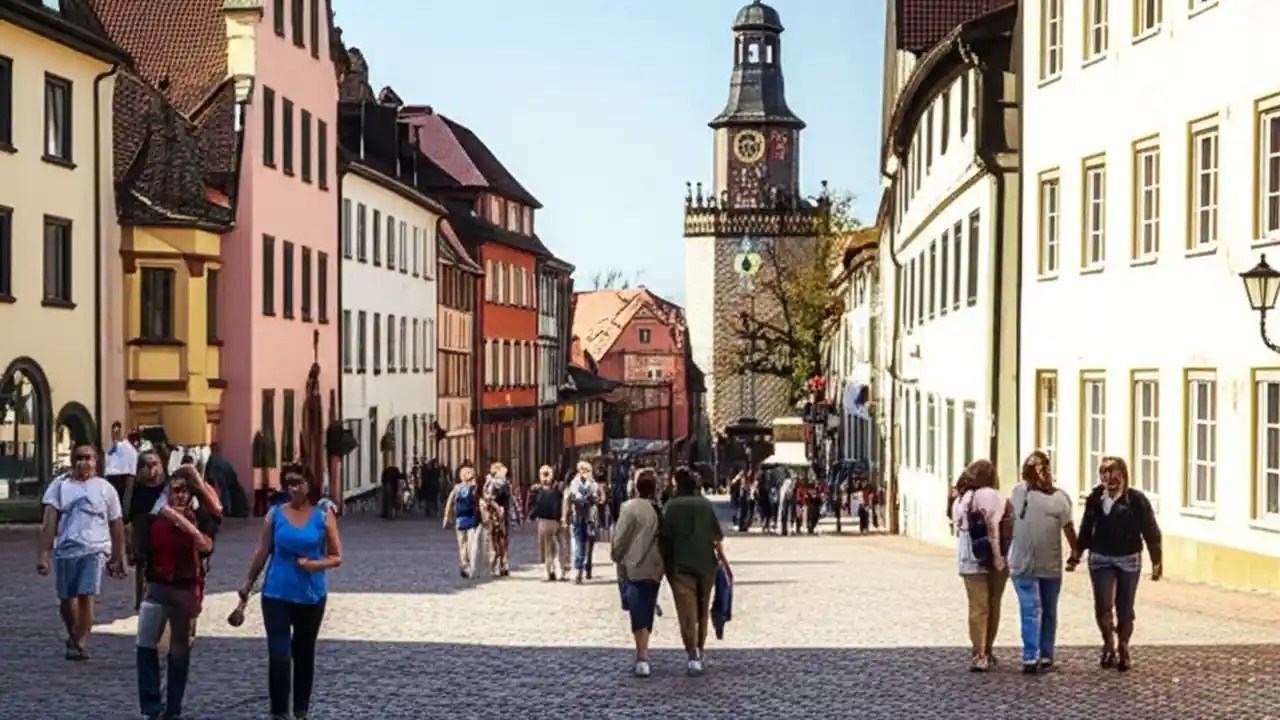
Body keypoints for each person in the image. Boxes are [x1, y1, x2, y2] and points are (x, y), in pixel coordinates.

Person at [239, 464, 342, 720]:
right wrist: (247, 584)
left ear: (309, 484)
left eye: (298, 482)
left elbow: (336, 557)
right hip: (276, 593)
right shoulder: (275, 514)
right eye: (289, 483)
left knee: (304, 653)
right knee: (279, 654)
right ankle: (279, 711)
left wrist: (314, 565)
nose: (293, 487)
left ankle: (300, 710)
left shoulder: (323, 515)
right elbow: (262, 551)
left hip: (311, 596)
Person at [135, 469, 218, 720]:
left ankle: (173, 707)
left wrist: (183, 522)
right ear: (167, 493)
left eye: (185, 491)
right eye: (176, 490)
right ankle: (151, 705)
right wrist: (139, 594)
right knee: (146, 646)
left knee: (179, 651)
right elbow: (141, 557)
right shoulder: (152, 520)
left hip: (184, 590)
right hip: (157, 587)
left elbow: (206, 546)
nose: (181, 495)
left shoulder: (199, 518)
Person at [1072, 456, 1163, 672]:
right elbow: (1086, 527)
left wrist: (1157, 560)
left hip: (1128, 558)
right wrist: (1076, 553)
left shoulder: (1136, 500)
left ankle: (1123, 646)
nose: (1108, 477)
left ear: (1123, 474)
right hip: (1101, 558)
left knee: (1125, 607)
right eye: (1104, 472)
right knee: (1103, 606)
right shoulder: (1095, 498)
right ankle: (1108, 643)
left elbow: (1150, 530)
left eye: (1113, 472)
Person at [36, 445, 126, 661]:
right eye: (79, 458)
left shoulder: (105, 488)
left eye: (89, 458)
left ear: (96, 462)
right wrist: (44, 555)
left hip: (95, 549)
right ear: (72, 461)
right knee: (67, 600)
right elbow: (49, 522)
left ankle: (81, 641)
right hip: (66, 549)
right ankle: (73, 632)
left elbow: (116, 523)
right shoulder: (59, 486)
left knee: (87, 594)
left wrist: (117, 555)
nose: (84, 462)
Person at [1009, 450, 1078, 674]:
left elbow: (1068, 528)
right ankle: (1031, 654)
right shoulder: (1018, 493)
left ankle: (1046, 653)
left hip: (1049, 564)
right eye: (1038, 471)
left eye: (1045, 470)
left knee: (1048, 609)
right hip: (1023, 564)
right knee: (1031, 608)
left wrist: (1075, 551)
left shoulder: (1059, 499)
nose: (1044, 475)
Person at [661, 466, 732, 677]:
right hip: (706, 564)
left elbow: (663, 537)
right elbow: (716, 538)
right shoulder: (704, 505)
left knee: (687, 613)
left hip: (680, 566)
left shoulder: (671, 507)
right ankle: (700, 649)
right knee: (702, 608)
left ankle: (692, 653)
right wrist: (724, 563)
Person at [951, 460, 1009, 672]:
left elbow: (957, 528)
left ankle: (979, 652)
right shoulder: (992, 496)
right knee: (993, 605)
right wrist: (998, 558)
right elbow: (993, 530)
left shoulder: (960, 499)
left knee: (977, 607)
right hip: (992, 556)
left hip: (968, 556)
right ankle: (987, 649)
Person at [611, 468, 665, 678]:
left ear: (636, 486)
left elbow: (621, 537)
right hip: (654, 566)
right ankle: (644, 651)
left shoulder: (629, 508)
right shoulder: (658, 509)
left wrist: (616, 554)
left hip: (633, 566)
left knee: (637, 610)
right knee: (648, 607)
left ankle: (641, 656)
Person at [126, 451, 168, 610]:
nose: (152, 469)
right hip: (142, 533)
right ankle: (141, 600)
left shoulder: (168, 487)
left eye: (155, 464)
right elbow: (129, 517)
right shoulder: (136, 489)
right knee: (142, 565)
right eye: (146, 465)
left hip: (163, 531)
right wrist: (129, 545)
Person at [443, 466, 483, 579]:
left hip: (460, 519)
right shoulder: (474, 488)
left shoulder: (457, 488)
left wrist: (447, 517)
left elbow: (449, 503)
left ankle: (464, 565)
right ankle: (470, 565)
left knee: (462, 544)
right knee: (470, 543)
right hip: (471, 518)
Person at [530, 466, 569, 581]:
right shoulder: (537, 489)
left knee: (559, 546)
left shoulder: (559, 487)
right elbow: (533, 505)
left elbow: (565, 501)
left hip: (555, 519)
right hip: (546, 520)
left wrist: (564, 517)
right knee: (548, 547)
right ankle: (551, 570)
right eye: (543, 474)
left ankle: (558, 570)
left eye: (547, 474)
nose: (545, 477)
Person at [567, 461, 601, 583]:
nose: (584, 472)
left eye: (585, 470)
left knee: (586, 543)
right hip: (581, 517)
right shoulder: (577, 483)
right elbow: (573, 497)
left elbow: (598, 498)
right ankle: (580, 568)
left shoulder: (591, 484)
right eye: (582, 469)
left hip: (588, 517)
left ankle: (585, 566)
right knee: (580, 543)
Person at [482, 463, 511, 577]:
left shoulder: (488, 483)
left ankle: (494, 565)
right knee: (503, 539)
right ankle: (503, 564)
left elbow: (487, 498)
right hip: (502, 514)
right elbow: (507, 499)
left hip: (492, 514)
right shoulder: (504, 483)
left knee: (494, 540)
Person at [104, 421, 138, 509]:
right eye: (113, 433)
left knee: (124, 502)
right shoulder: (110, 450)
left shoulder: (127, 447)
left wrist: (131, 475)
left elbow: (132, 461)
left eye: (117, 432)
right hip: (113, 477)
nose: (115, 435)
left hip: (125, 476)